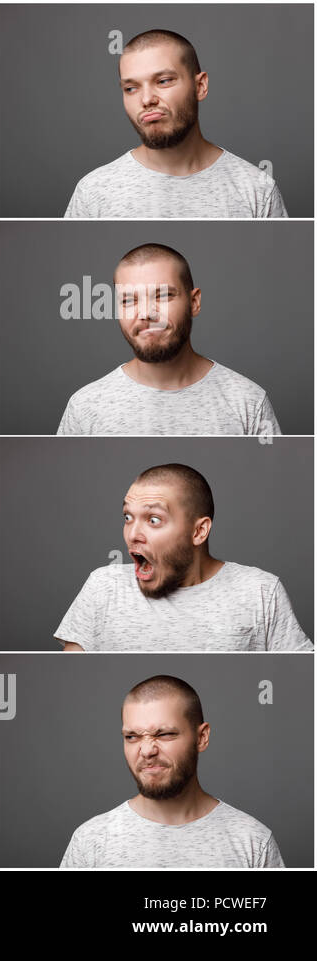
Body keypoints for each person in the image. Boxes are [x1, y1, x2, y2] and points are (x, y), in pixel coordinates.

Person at [56, 463, 311, 651]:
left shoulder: (260, 592)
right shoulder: (103, 587)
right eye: (127, 517)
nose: (133, 534)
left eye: (153, 520)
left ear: (199, 531)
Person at [61, 675, 283, 867]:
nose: (147, 750)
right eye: (132, 737)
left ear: (202, 738)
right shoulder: (90, 842)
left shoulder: (253, 842)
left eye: (165, 734)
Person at [58, 243, 279, 435]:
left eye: (163, 296)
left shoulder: (249, 402)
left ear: (194, 303)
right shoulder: (84, 408)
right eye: (128, 300)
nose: (146, 313)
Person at [64, 30, 285, 218]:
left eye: (163, 81)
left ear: (200, 87)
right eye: (131, 88)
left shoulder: (258, 189)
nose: (146, 99)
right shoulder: (92, 191)